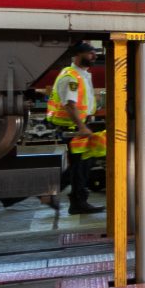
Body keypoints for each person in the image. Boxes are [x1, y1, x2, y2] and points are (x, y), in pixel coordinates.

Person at [47, 42, 105, 216]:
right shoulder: (70, 77)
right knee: (81, 166)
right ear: (78, 55)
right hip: (73, 128)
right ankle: (77, 203)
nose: (94, 56)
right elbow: (69, 105)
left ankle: (49, 194)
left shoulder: (82, 74)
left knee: (81, 165)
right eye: (90, 53)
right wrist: (81, 126)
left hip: (80, 125)